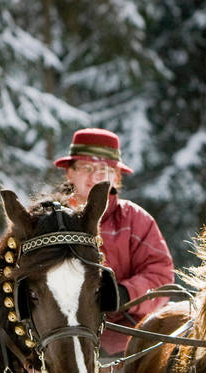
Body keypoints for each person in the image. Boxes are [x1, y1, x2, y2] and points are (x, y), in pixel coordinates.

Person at [55, 128, 175, 355]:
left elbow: (161, 276)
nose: (94, 177)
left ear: (116, 177)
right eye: (86, 168)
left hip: (125, 341)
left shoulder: (136, 220)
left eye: (103, 170)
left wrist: (124, 294)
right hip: (59, 337)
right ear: (69, 173)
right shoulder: (52, 221)